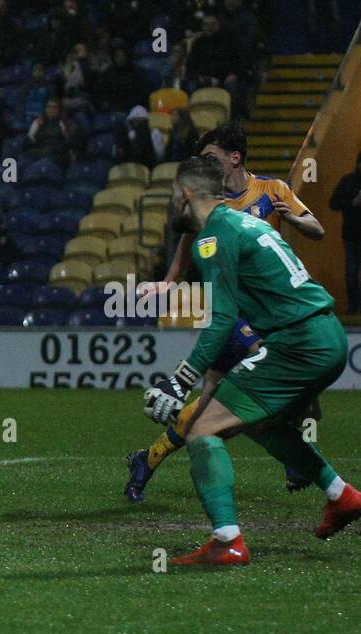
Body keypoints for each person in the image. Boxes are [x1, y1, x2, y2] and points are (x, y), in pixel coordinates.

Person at [139, 155, 359, 565]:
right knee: (259, 422)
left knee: (202, 429)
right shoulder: (247, 223)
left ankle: (227, 541)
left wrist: (178, 382)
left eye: (173, 194)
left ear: (186, 194)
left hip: (299, 343)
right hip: (325, 336)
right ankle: (341, 496)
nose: (173, 203)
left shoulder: (214, 238)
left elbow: (221, 321)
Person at [127, 123, 326, 502]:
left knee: (218, 404)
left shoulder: (272, 191)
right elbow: (186, 238)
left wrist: (294, 219)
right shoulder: (209, 202)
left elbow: (316, 228)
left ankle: (146, 459)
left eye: (211, 158)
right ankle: (302, 463)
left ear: (234, 158)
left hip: (268, 311)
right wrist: (169, 281)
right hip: (232, 312)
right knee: (250, 390)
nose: (204, 164)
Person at [327, 151, 361, 316]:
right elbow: (333, 203)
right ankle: (353, 310)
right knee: (351, 274)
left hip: (351, 235)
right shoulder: (348, 181)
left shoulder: (348, 180)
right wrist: (353, 202)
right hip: (352, 236)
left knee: (352, 273)